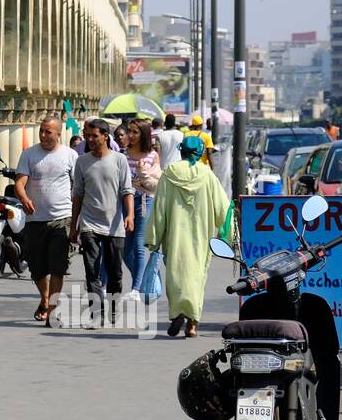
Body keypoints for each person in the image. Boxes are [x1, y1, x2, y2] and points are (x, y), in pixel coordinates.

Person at [144, 135, 231, 338]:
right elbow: (223, 208)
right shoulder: (207, 174)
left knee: (176, 275)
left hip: (175, 236)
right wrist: (227, 235)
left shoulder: (169, 173)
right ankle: (192, 323)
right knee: (196, 276)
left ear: (181, 151)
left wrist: (154, 237)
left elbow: (160, 208)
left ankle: (177, 313)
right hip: (200, 236)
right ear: (200, 152)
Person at [70, 117, 134, 326]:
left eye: (94, 136)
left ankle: (114, 309)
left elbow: (127, 190)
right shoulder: (82, 161)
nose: (89, 139)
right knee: (92, 271)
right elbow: (78, 194)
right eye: (87, 136)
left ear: (105, 136)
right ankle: (97, 312)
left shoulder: (119, 160)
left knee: (115, 273)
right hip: (89, 224)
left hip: (114, 225)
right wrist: (74, 224)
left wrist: (130, 215)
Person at [15, 115, 78, 322]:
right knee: (37, 268)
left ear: (58, 133)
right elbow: (19, 183)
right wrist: (24, 198)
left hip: (62, 218)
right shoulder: (29, 154)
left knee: (58, 266)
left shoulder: (70, 156)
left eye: (47, 132)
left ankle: (52, 309)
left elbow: (78, 187)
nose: (43, 135)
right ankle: (45, 298)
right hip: (35, 220)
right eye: (41, 131)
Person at [122, 119, 160, 299]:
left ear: (143, 134)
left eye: (135, 132)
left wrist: (141, 174)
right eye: (129, 131)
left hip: (145, 201)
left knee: (138, 245)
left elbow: (155, 185)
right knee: (124, 249)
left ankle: (136, 289)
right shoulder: (123, 154)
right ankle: (144, 276)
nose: (130, 135)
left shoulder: (152, 156)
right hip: (124, 202)